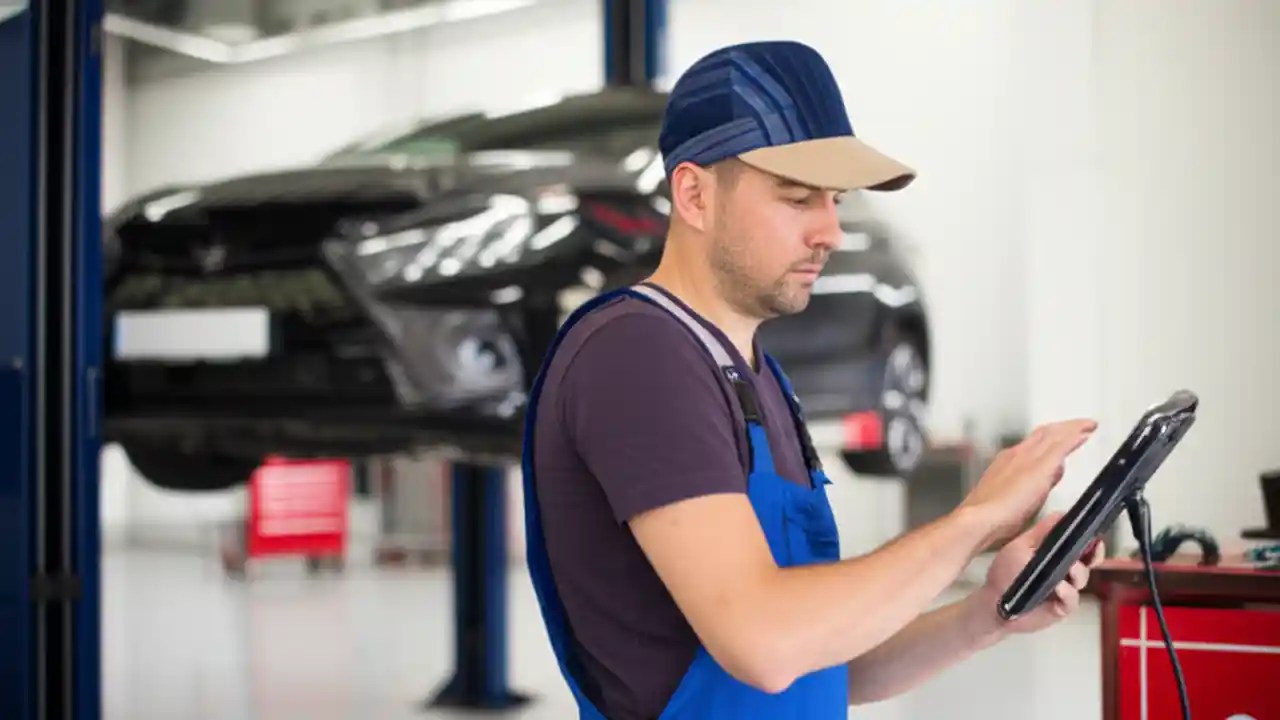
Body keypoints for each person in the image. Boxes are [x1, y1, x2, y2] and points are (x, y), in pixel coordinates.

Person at [520, 39, 1102, 720]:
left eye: (835, 199)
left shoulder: (758, 375)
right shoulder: (636, 355)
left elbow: (823, 659)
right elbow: (764, 642)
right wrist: (974, 524)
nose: (830, 229)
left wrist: (989, 613)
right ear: (694, 193)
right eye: (797, 198)